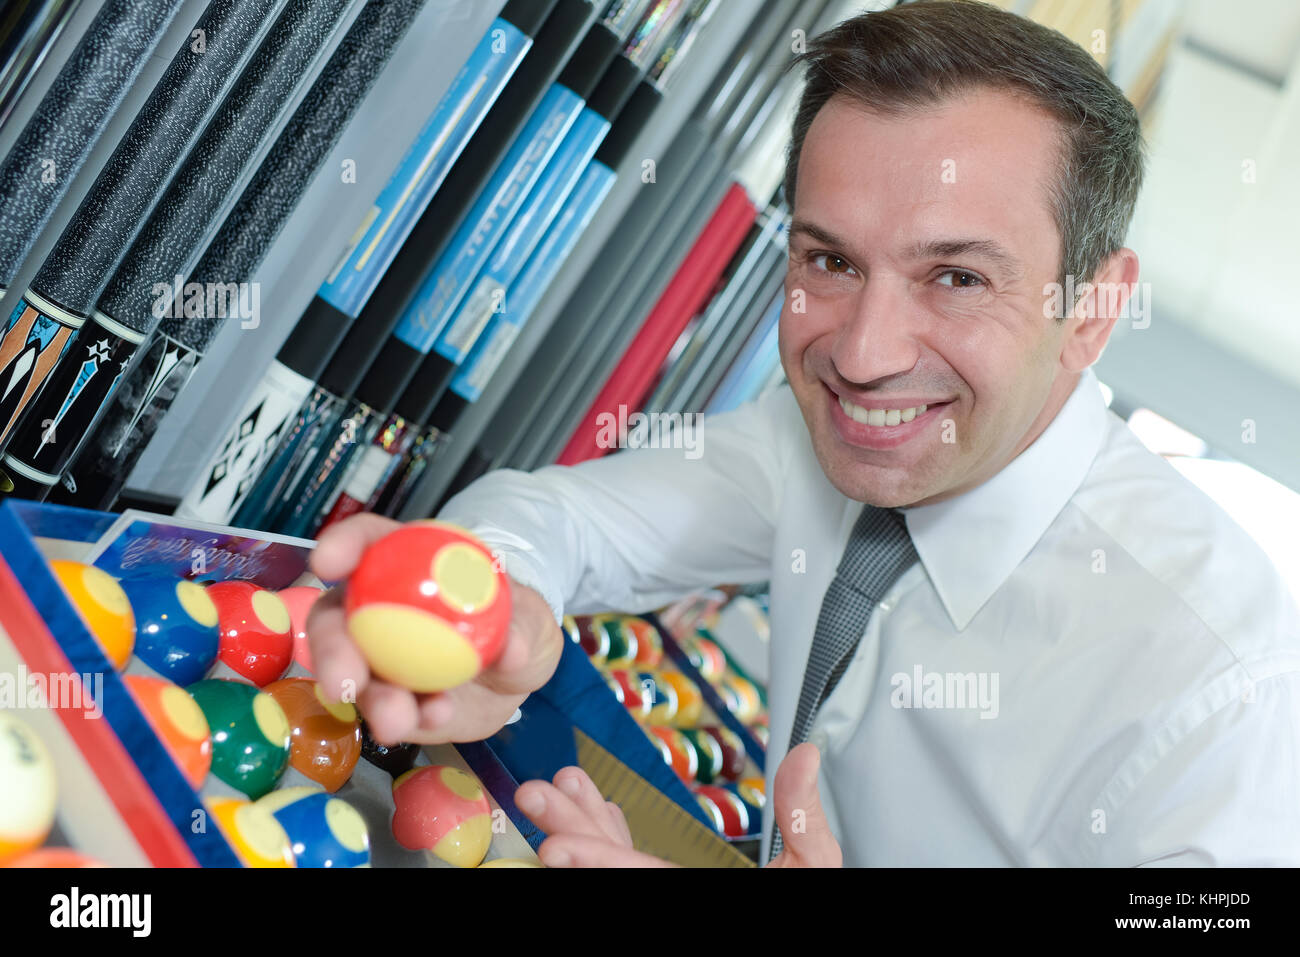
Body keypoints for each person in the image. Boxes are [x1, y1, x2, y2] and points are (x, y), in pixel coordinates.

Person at [307, 1, 1300, 867]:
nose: (862, 356)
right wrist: (493, 603)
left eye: (954, 277)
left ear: (1089, 310)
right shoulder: (817, 439)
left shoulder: (1223, 684)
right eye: (829, 260)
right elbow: (570, 522)